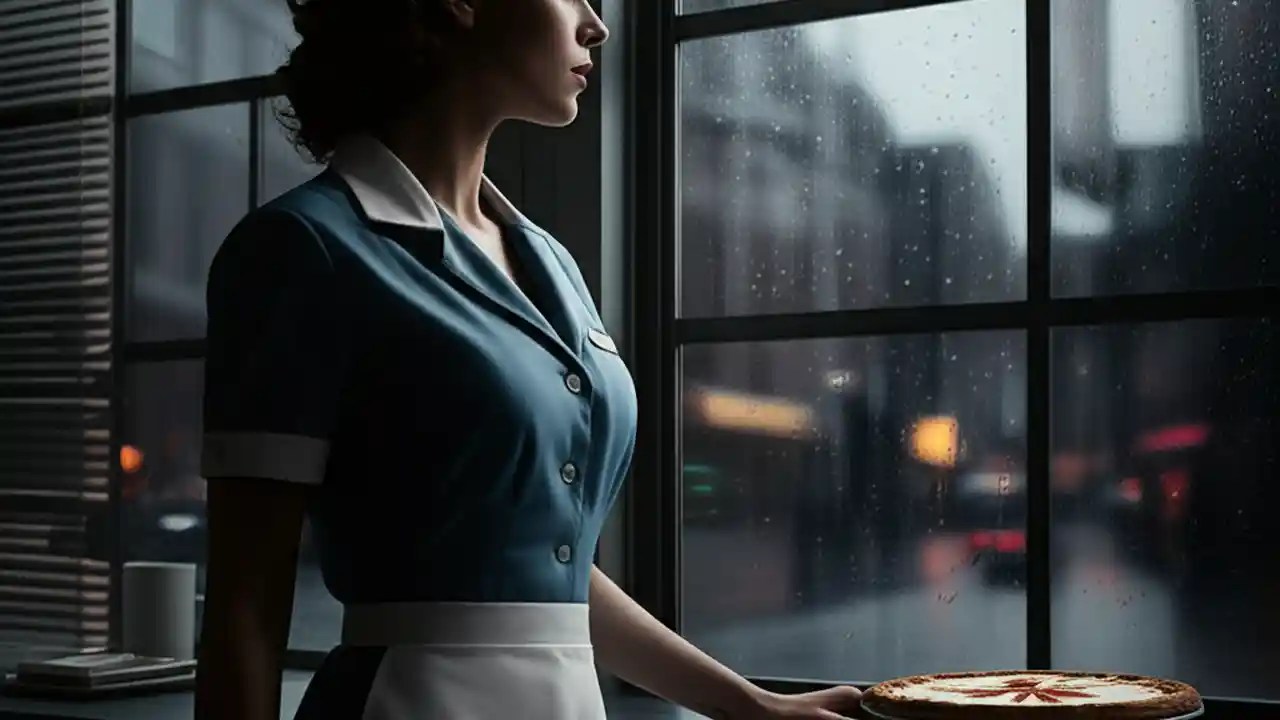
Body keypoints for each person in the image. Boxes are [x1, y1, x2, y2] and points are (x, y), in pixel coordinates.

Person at [192, 1, 863, 718]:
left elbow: (550, 584)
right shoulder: (302, 248)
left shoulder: (550, 261)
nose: (595, 24)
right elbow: (245, 604)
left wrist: (752, 706)